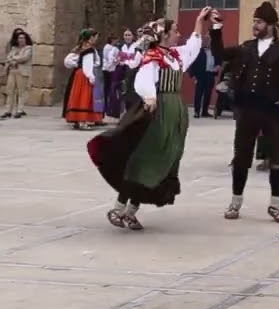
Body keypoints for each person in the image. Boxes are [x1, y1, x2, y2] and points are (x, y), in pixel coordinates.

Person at [87, 13, 208, 230]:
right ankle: (119, 207)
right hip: (159, 112)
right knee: (144, 160)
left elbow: (194, 46)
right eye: (175, 31)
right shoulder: (153, 57)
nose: (179, 34)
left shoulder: (175, 56)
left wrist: (200, 21)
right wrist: (150, 96)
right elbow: (144, 78)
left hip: (175, 114)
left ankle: (131, 212)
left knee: (164, 161)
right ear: (163, 35)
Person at [211, 2, 279, 224]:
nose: (255, 25)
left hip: (273, 112)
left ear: (270, 25)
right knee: (241, 158)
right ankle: (235, 202)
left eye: (259, 22)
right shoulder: (246, 47)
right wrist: (217, 28)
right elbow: (219, 54)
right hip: (248, 110)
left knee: (277, 158)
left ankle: (275, 206)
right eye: (254, 22)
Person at [62, 29, 104, 129]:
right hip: (84, 75)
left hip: (78, 73)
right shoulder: (89, 49)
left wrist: (77, 64)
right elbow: (88, 65)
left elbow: (67, 61)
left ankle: (77, 119)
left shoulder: (79, 48)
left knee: (77, 96)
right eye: (95, 37)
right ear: (90, 37)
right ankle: (82, 121)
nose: (96, 39)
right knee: (84, 97)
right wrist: (91, 77)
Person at [2, 28, 33, 119]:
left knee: (21, 91)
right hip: (13, 71)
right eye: (19, 38)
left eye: (23, 38)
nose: (21, 40)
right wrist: (13, 59)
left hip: (22, 71)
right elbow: (8, 57)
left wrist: (14, 59)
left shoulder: (28, 48)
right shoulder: (14, 48)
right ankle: (8, 110)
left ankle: (19, 110)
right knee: (10, 91)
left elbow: (24, 58)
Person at [187, 34, 219, 118]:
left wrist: (217, 66)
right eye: (206, 40)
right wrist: (193, 75)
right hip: (201, 75)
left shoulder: (214, 51)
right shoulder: (198, 51)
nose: (208, 42)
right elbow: (192, 63)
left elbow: (218, 61)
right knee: (198, 94)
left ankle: (205, 111)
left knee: (208, 94)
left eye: (209, 40)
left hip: (210, 74)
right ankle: (197, 111)